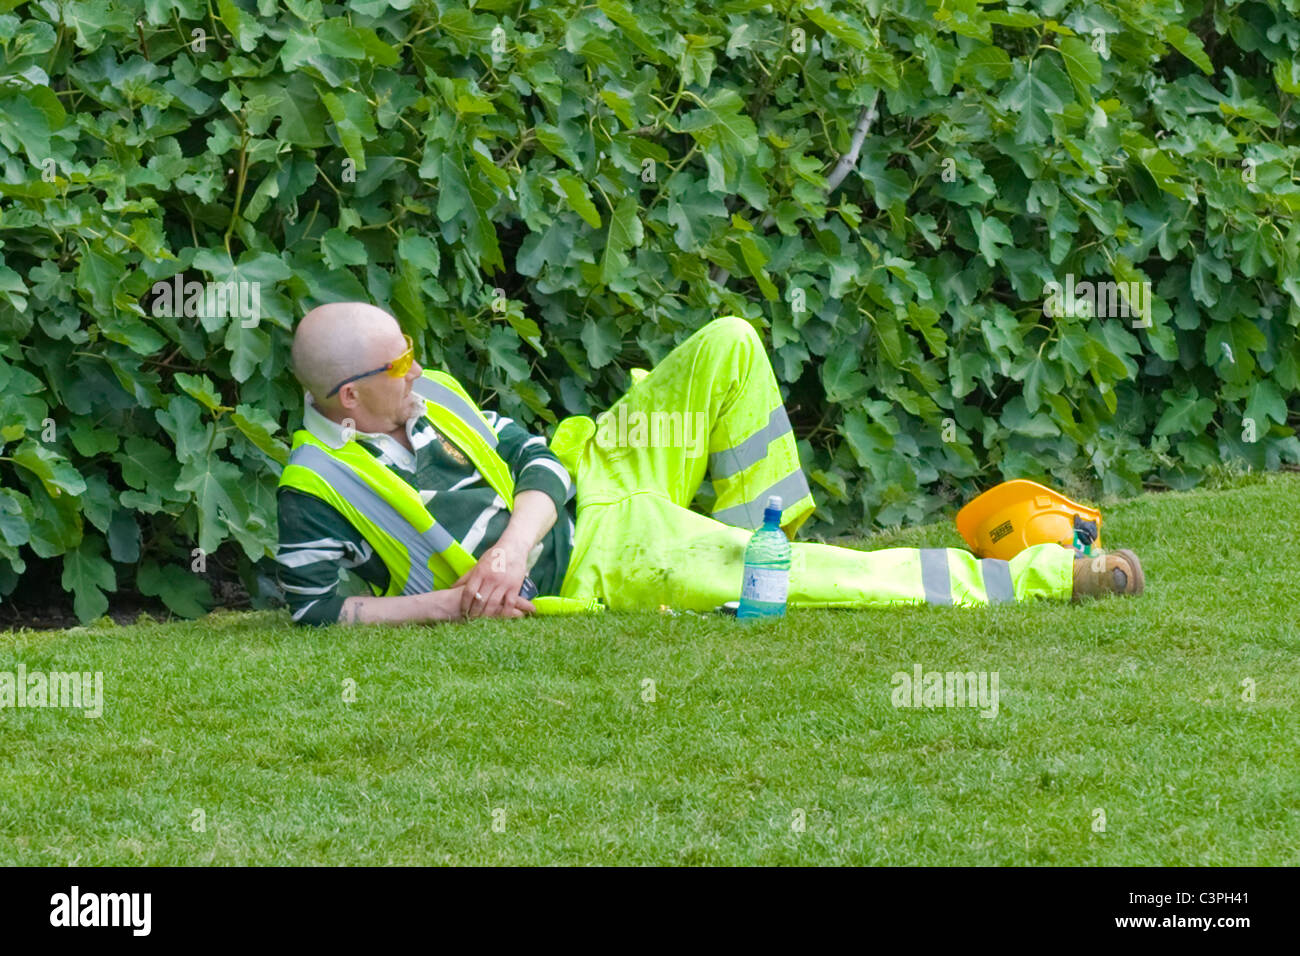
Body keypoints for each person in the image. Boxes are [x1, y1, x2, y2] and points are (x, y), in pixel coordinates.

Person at [275, 303, 1143, 625]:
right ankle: (1044, 581)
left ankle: (754, 553)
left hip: (592, 480)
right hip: (590, 555)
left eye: (412, 353)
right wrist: (460, 603)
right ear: (347, 398)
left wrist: (507, 549)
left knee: (728, 342)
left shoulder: (435, 393)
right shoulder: (315, 489)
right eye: (397, 367)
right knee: (814, 576)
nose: (417, 370)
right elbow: (320, 612)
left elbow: (538, 458)